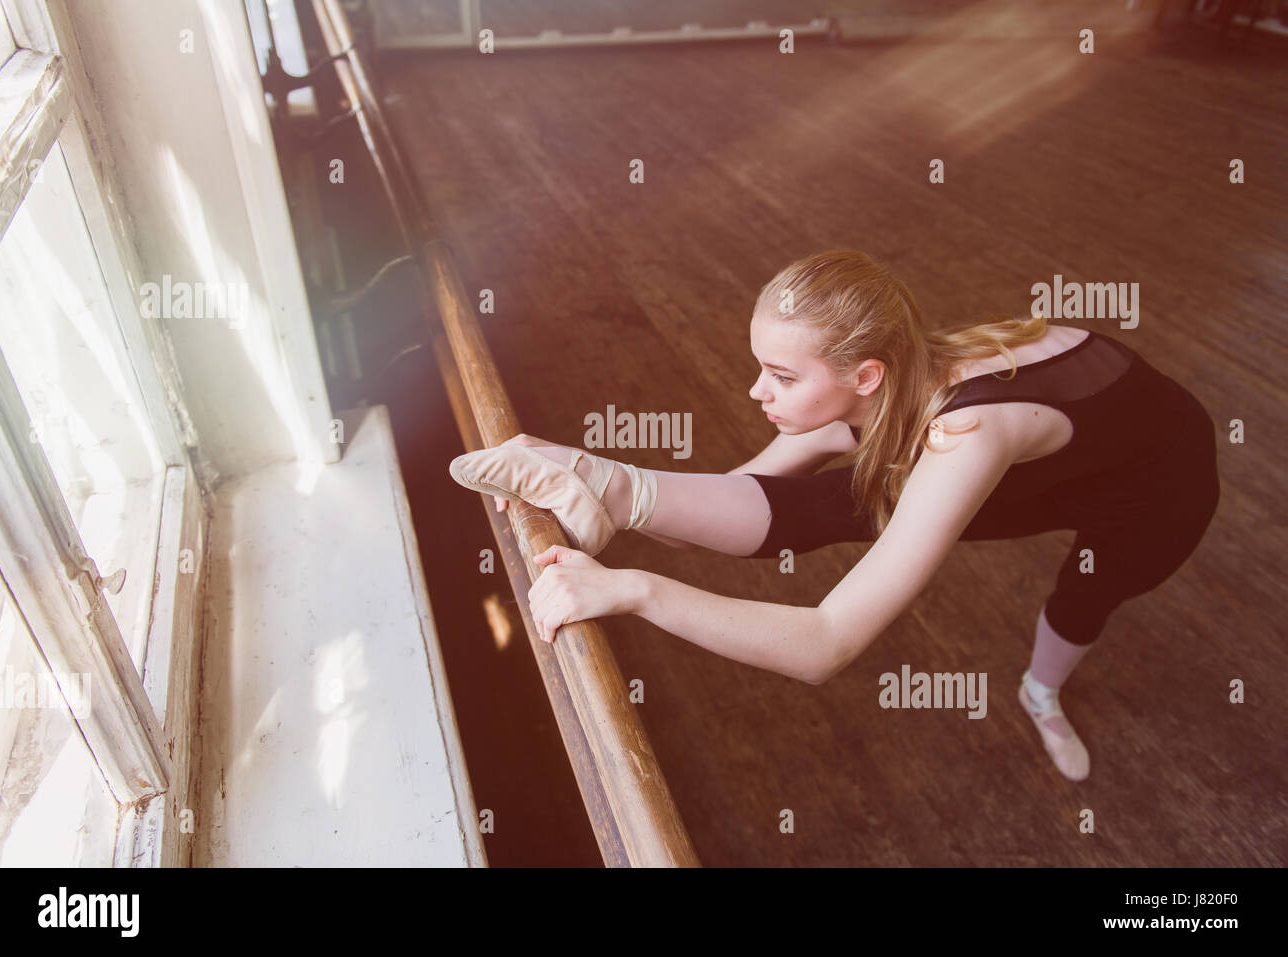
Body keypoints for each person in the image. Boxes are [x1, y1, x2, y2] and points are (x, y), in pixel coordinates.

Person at [449, 249, 1221, 782]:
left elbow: (825, 643)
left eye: (780, 375)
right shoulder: (880, 379)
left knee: (1084, 593)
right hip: (1061, 447)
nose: (757, 392)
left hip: (1159, 487)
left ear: (865, 374)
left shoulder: (967, 430)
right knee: (831, 503)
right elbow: (739, 494)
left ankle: (1039, 693)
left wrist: (632, 590)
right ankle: (603, 484)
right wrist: (593, 475)